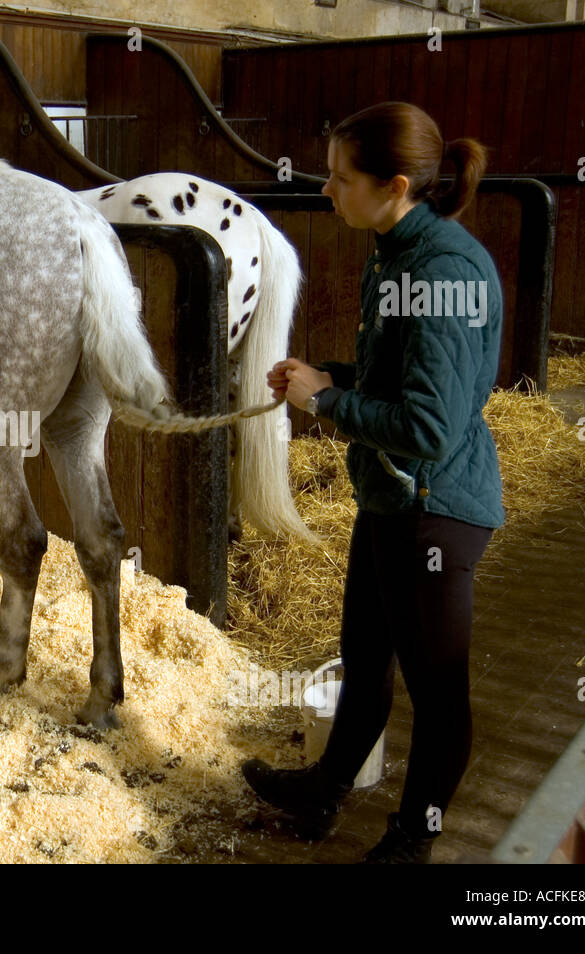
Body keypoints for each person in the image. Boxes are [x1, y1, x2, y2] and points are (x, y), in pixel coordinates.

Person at [242, 102, 506, 864]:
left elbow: (430, 427)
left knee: (438, 691)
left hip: (434, 509)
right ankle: (323, 793)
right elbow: (402, 382)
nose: (327, 191)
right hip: (392, 498)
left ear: (395, 185)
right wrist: (333, 377)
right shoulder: (395, 251)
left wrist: (324, 402)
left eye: (341, 178)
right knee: (365, 660)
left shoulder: (441, 272)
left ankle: (411, 839)